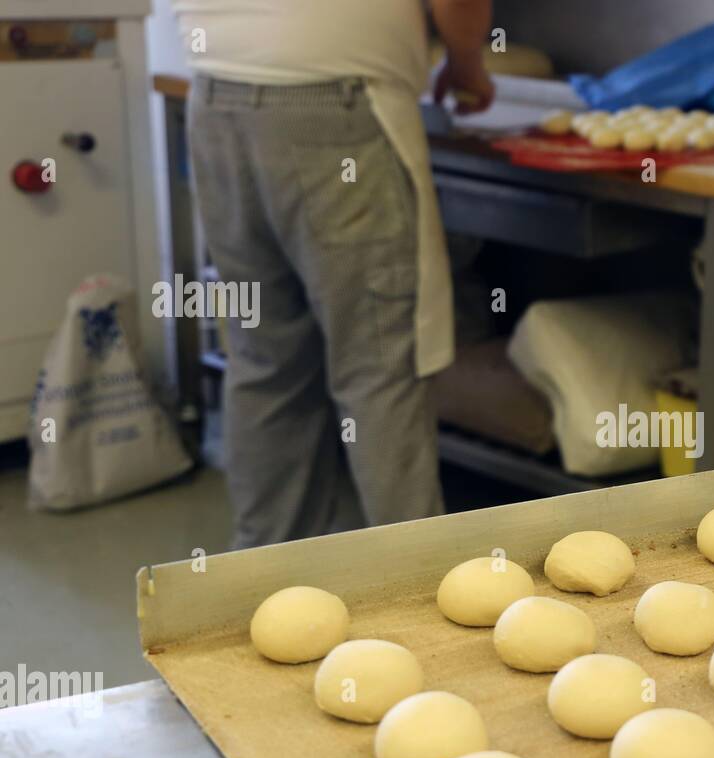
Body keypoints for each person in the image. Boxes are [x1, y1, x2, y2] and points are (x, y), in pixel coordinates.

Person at [172, 1, 495, 547]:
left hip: (215, 102)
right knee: (379, 367)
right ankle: (418, 601)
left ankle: (267, 592)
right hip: (335, 110)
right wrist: (466, 60)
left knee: (264, 359)